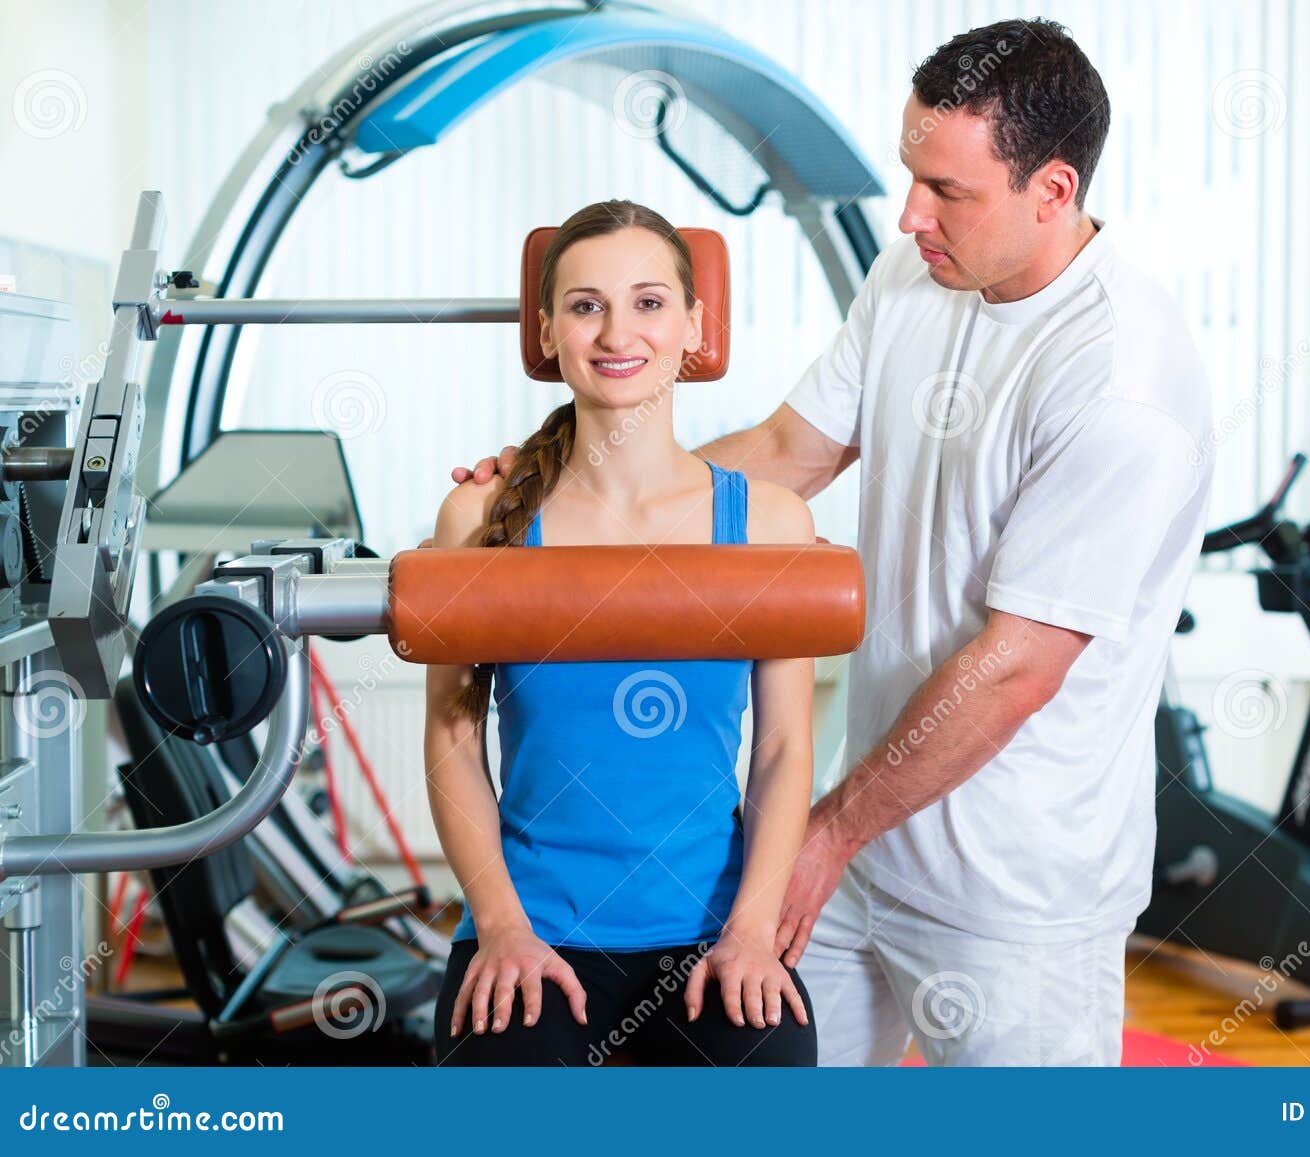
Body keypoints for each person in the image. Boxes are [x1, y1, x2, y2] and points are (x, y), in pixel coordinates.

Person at [454, 19, 1214, 1066]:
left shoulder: (1120, 381)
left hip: (1008, 889)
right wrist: (579, 487)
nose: (909, 215)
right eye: (913, 175)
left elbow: (1017, 666)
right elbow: (783, 451)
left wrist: (825, 830)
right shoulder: (920, 275)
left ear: (1052, 190)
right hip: (860, 842)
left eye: (947, 190)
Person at [426, 199, 819, 1066]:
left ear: (693, 323)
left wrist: (754, 929)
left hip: (712, 934)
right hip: (530, 927)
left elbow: (786, 747)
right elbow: (453, 735)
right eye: (584, 304)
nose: (616, 332)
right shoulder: (480, 515)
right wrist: (498, 926)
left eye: (647, 302)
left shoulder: (770, 524)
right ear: (547, 328)